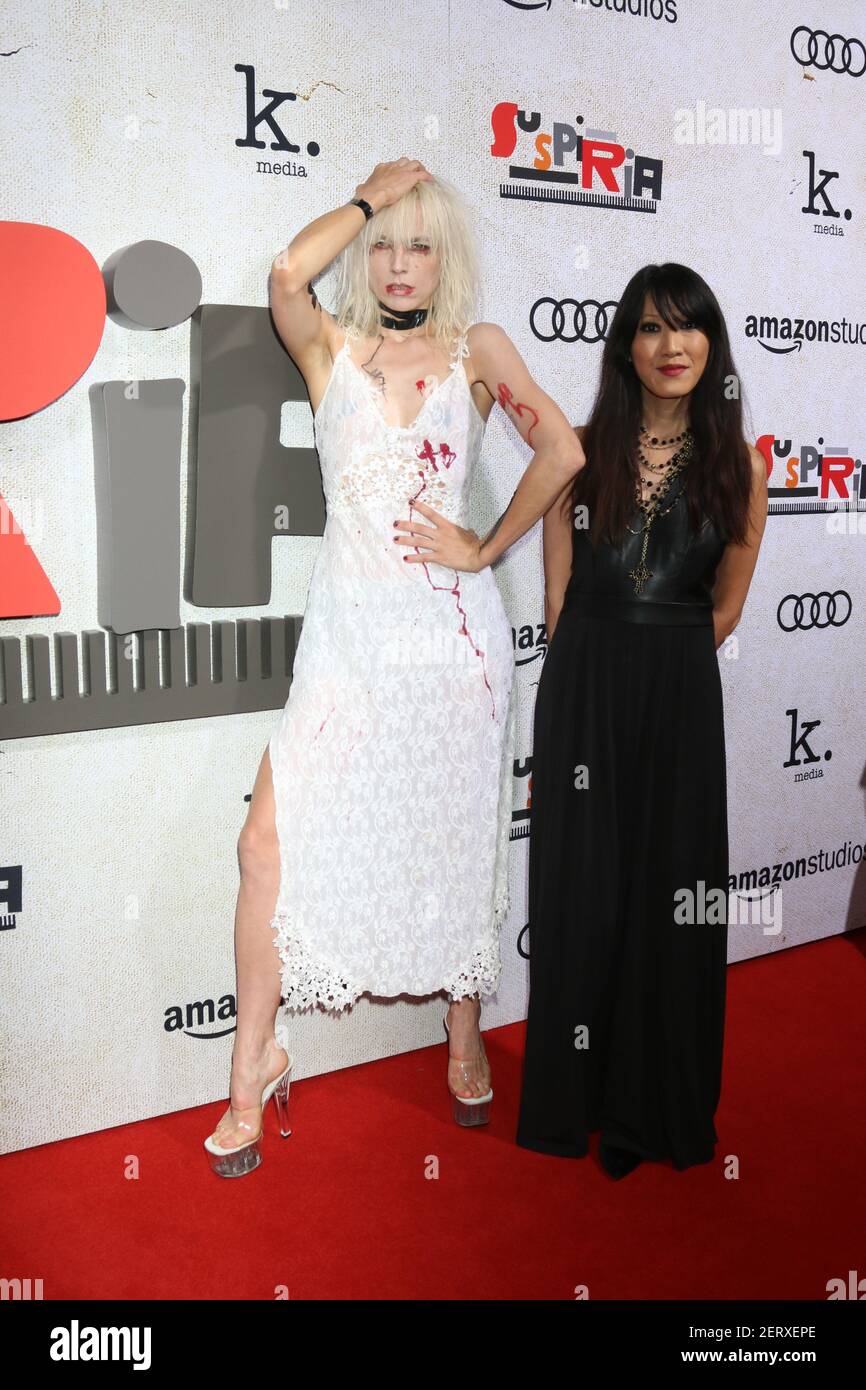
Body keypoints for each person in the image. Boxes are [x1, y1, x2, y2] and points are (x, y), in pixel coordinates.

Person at [203, 158, 584, 1175]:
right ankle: (254, 1062)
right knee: (262, 845)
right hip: (348, 642)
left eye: (420, 243)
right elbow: (287, 272)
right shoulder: (331, 345)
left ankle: (461, 1029)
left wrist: (484, 544)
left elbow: (561, 454)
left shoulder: (475, 353)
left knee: (452, 835)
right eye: (384, 242)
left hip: (453, 650)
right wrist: (370, 195)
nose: (400, 262)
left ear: (445, 255)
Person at [515, 262, 768, 1178]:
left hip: (677, 691)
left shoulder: (741, 464)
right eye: (653, 329)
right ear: (626, 345)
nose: (673, 347)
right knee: (583, 892)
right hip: (585, 677)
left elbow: (727, 607)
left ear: (713, 344)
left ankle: (649, 1105)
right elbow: (557, 591)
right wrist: (569, 684)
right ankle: (572, 1099)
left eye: (689, 327)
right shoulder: (581, 450)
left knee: (671, 892)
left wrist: (663, 667)